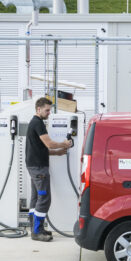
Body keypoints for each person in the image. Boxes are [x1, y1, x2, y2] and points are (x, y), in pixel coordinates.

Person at [26, 97, 73, 241]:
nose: (49, 113)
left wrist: (57, 152)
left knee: (36, 198)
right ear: (38, 109)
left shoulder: (35, 123)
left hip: (34, 166)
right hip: (39, 169)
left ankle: (36, 229)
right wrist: (64, 144)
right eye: (47, 110)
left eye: (50, 110)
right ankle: (37, 232)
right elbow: (50, 144)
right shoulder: (38, 123)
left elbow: (40, 148)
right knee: (44, 198)